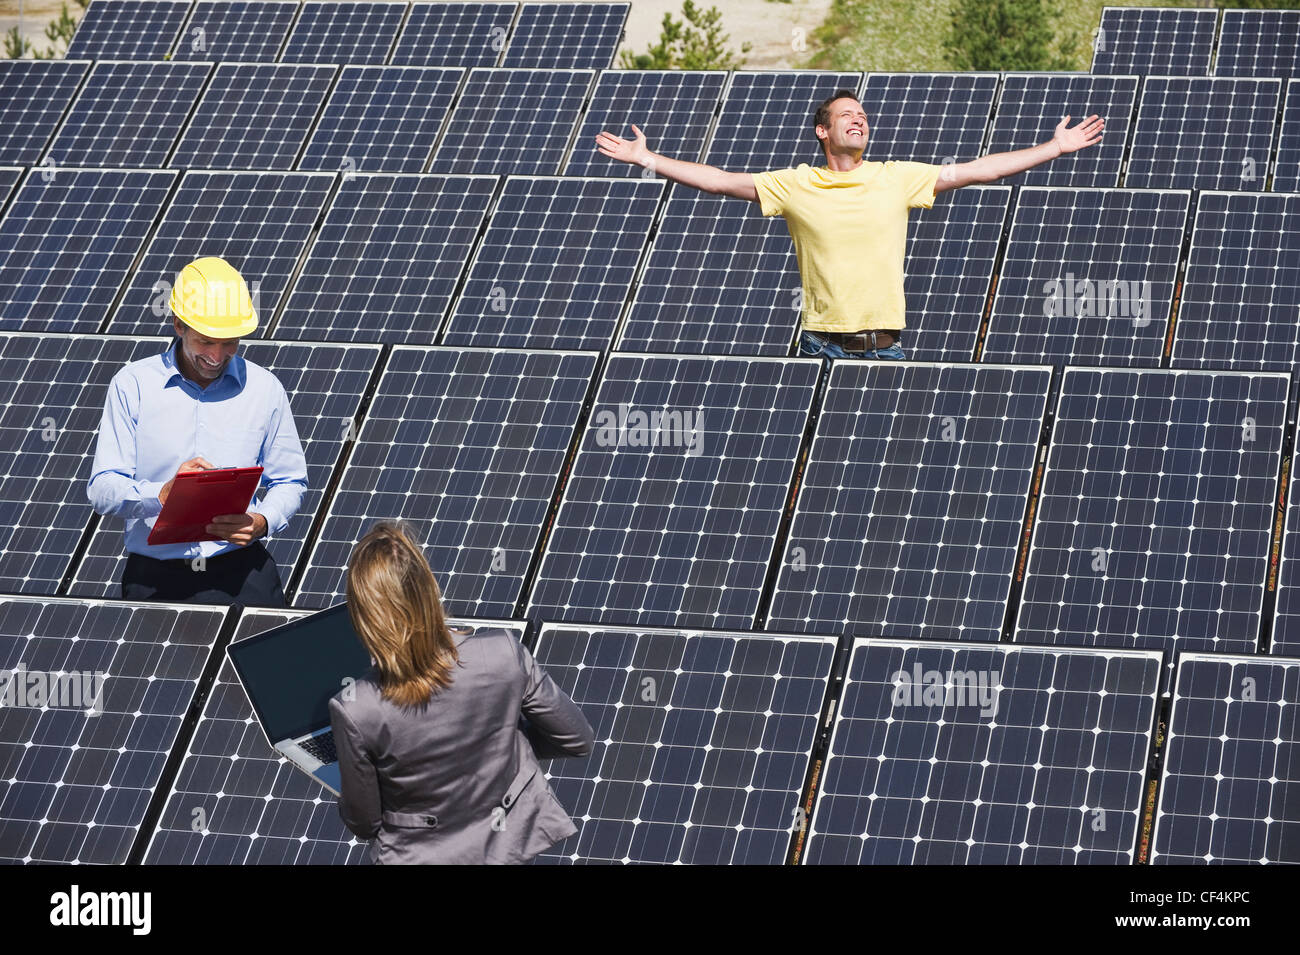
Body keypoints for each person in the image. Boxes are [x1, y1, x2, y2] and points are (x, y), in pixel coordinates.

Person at [596, 89, 1104, 360]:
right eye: (846, 115)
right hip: (821, 347)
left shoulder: (897, 178)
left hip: (888, 348)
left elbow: (980, 168)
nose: (859, 119)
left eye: (862, 115)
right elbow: (720, 181)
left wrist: (1054, 148)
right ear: (823, 131)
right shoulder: (794, 184)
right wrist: (650, 159)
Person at [329, 520, 594, 864]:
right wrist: (498, 743)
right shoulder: (503, 654)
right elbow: (577, 739)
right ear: (427, 589)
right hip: (509, 843)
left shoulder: (355, 708)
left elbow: (365, 822)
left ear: (364, 614)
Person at [87, 256, 307, 606]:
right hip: (155, 582)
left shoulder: (265, 390)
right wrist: (161, 495)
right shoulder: (132, 386)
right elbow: (102, 489)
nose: (218, 356)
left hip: (244, 574)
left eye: (230, 342)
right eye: (206, 341)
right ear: (178, 324)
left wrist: (263, 520)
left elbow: (290, 480)